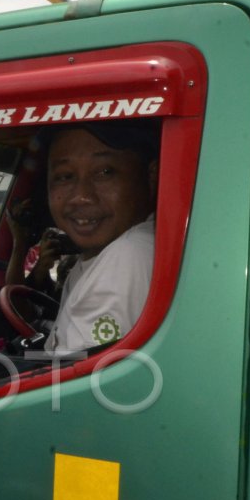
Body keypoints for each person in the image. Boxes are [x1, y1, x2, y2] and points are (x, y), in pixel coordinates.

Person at [40, 121, 159, 353]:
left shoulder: (126, 257)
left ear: (151, 177)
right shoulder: (120, 249)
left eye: (105, 172)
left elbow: (78, 385)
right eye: (65, 176)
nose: (81, 196)